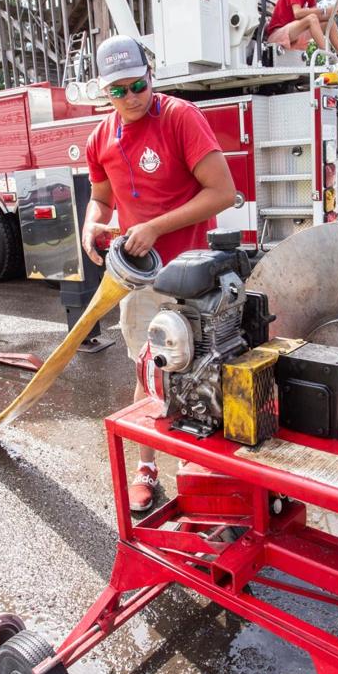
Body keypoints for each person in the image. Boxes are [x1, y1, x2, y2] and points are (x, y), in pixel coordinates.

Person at [82, 34, 238, 512]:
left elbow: (223, 192)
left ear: (151, 76)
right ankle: (147, 468)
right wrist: (90, 225)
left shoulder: (179, 117)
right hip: (141, 280)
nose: (131, 98)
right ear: (103, 92)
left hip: (195, 277)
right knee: (150, 373)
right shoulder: (99, 139)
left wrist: (153, 226)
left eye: (138, 85)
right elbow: (101, 198)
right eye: (118, 90)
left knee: (210, 371)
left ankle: (208, 470)